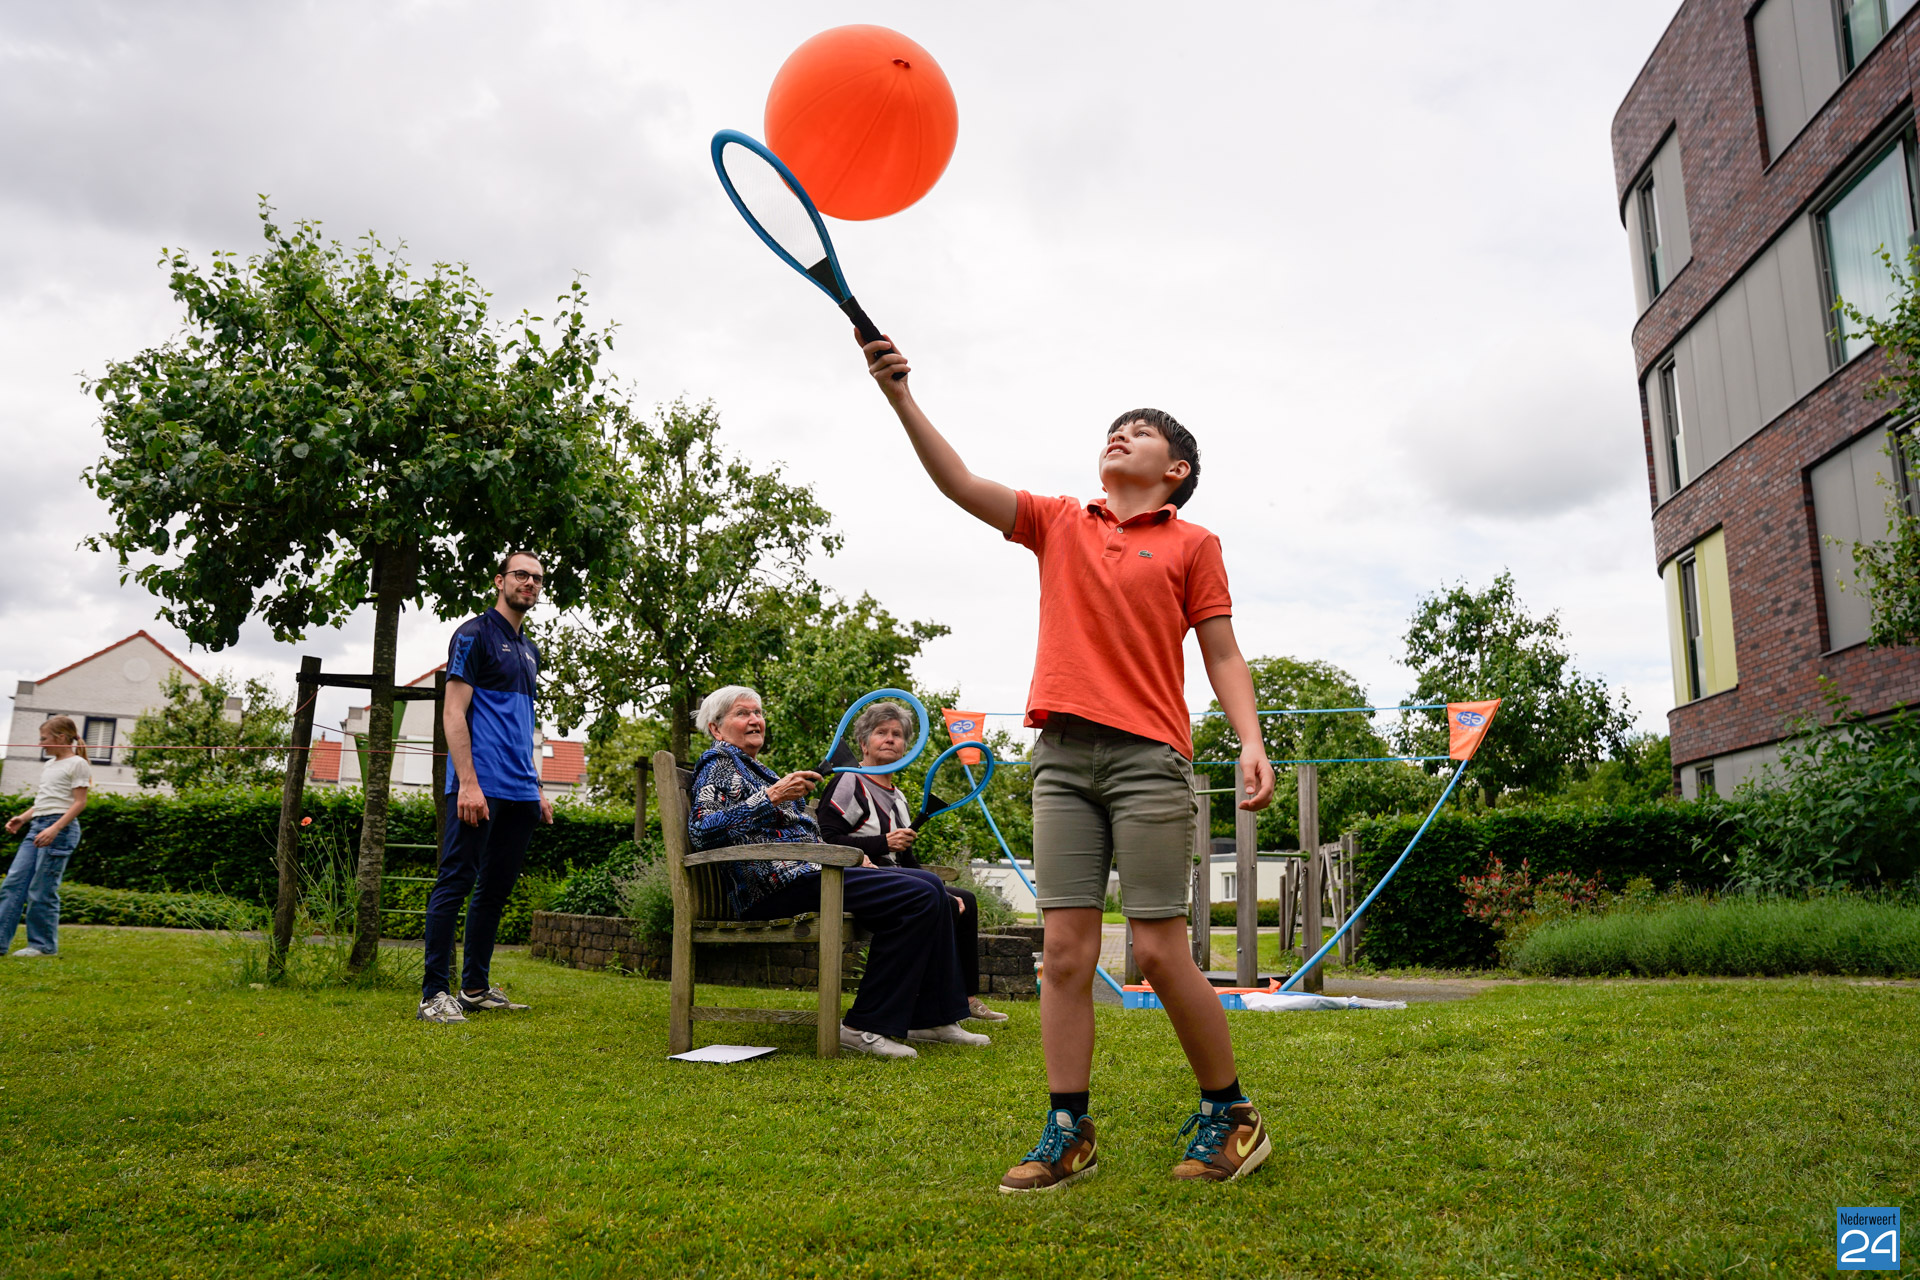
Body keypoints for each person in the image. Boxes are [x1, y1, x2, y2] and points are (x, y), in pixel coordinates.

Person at [862, 334, 1278, 1189]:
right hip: (1060, 762)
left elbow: (1223, 654)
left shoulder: (1193, 544)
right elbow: (959, 485)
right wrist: (902, 397)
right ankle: (1068, 1129)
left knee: (1161, 954)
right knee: (1063, 952)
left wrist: (1251, 738)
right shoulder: (1059, 521)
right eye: (1114, 427)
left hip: (1149, 761)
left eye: (1143, 431)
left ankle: (1232, 1114)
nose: (1120, 434)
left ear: (1177, 471)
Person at [688, 685, 988, 1059]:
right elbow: (701, 829)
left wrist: (847, 855)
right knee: (921, 894)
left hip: (809, 872)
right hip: (775, 884)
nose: (755, 720)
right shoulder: (718, 763)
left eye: (758, 712)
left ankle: (930, 1017)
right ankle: (863, 1025)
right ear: (717, 729)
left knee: (927, 885)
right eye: (742, 713)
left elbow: (808, 834)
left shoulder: (757, 770)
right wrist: (772, 797)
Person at [417, 551, 554, 1024]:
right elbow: (453, 712)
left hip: (519, 790)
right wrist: (469, 784)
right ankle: (433, 994)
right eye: (521, 575)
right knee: (455, 881)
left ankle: (473, 987)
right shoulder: (472, 635)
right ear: (500, 580)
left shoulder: (530, 650)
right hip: (479, 785)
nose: (529, 584)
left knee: (494, 889)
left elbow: (523, 723)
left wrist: (535, 785)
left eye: (536, 578)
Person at [816, 699, 1006, 1023]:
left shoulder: (899, 797)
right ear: (863, 743)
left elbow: (907, 861)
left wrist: (944, 890)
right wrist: (882, 842)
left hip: (894, 880)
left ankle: (965, 998)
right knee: (944, 902)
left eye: (897, 734)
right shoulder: (850, 781)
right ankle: (932, 1010)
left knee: (966, 900)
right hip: (855, 883)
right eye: (881, 732)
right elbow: (825, 838)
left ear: (905, 747)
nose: (890, 738)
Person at [0, 717, 90, 958]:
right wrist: (23, 818)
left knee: (41, 890)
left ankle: (42, 946)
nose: (40, 744)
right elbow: (45, 802)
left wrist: (55, 829)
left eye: (43, 738)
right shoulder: (50, 765)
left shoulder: (77, 763)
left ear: (61, 737)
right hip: (37, 826)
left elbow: (79, 802)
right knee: (13, 884)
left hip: (59, 829)